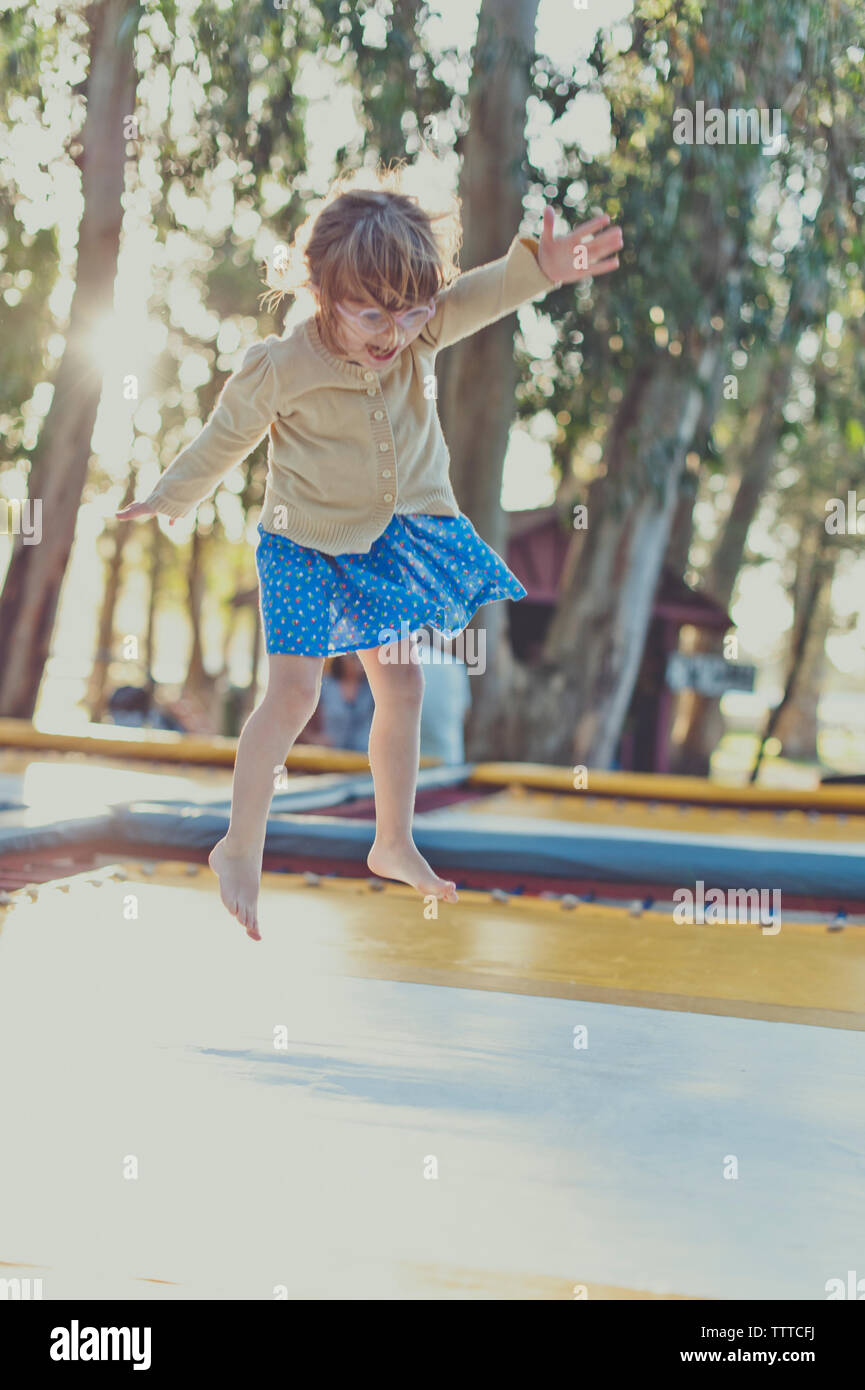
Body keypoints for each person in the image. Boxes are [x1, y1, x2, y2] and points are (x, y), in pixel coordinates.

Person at [116, 161, 623, 939]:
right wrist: (171, 495)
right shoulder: (280, 364)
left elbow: (481, 295)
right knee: (294, 696)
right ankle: (238, 845)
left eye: (411, 315)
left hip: (385, 540)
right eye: (371, 317)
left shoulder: (418, 335)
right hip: (300, 545)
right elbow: (226, 438)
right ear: (322, 292)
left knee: (406, 687)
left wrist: (540, 270)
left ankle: (392, 841)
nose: (393, 335)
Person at [318, 655, 374, 751]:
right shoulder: (324, 685)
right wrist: (314, 739)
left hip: (364, 755)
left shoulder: (373, 688)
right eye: (353, 657)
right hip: (329, 754)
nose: (358, 661)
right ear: (340, 657)